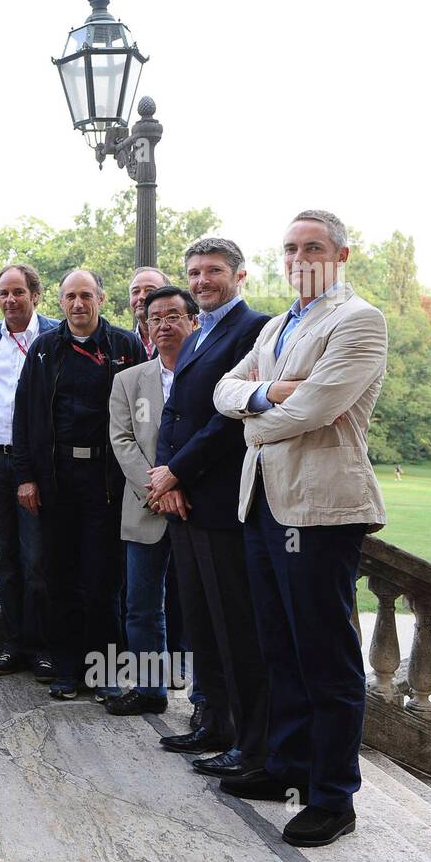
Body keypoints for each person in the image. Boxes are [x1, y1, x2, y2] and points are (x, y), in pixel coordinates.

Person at [213, 209, 387, 848]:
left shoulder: (359, 320)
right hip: (261, 503)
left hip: (320, 511)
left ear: (341, 255)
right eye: (289, 248)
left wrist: (255, 414)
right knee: (278, 646)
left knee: (325, 656)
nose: (298, 257)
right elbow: (223, 391)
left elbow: (320, 405)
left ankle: (332, 795)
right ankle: (286, 769)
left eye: (312, 246)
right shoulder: (279, 324)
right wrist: (264, 396)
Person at [148, 238, 270, 780]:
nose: (201, 281)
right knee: (199, 619)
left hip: (222, 502)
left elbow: (228, 421)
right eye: (194, 272)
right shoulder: (201, 333)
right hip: (184, 504)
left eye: (213, 271)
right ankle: (212, 722)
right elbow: (173, 412)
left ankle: (250, 741)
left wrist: (178, 471)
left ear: (239, 275)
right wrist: (164, 478)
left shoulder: (255, 329)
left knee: (234, 627)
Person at [13, 269, 144, 700]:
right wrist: (26, 476)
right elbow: (25, 416)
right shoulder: (45, 350)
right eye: (70, 296)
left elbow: (144, 414)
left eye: (86, 295)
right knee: (59, 577)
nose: (78, 304)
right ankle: (68, 670)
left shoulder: (125, 346)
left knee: (103, 580)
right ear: (60, 301)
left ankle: (104, 671)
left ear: (101, 299)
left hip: (107, 482)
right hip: (55, 480)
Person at [106, 286, 198, 715]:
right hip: (145, 508)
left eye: (173, 316)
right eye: (155, 318)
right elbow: (122, 440)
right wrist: (157, 489)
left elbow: (217, 439)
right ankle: (148, 690)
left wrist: (180, 482)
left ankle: (206, 700)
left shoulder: (213, 375)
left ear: (193, 321)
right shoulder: (128, 380)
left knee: (201, 606)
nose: (163, 325)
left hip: (198, 508)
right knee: (142, 607)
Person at [0, 263, 59, 680]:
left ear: (35, 296)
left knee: (36, 559)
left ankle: (43, 646)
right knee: (3, 558)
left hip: (35, 468)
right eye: (3, 293)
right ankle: (13, 643)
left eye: (18, 292)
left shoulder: (55, 336)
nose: (10, 300)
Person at [128, 266, 169, 359]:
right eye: (135, 292)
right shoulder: (122, 342)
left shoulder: (183, 339)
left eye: (149, 290)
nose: (141, 297)